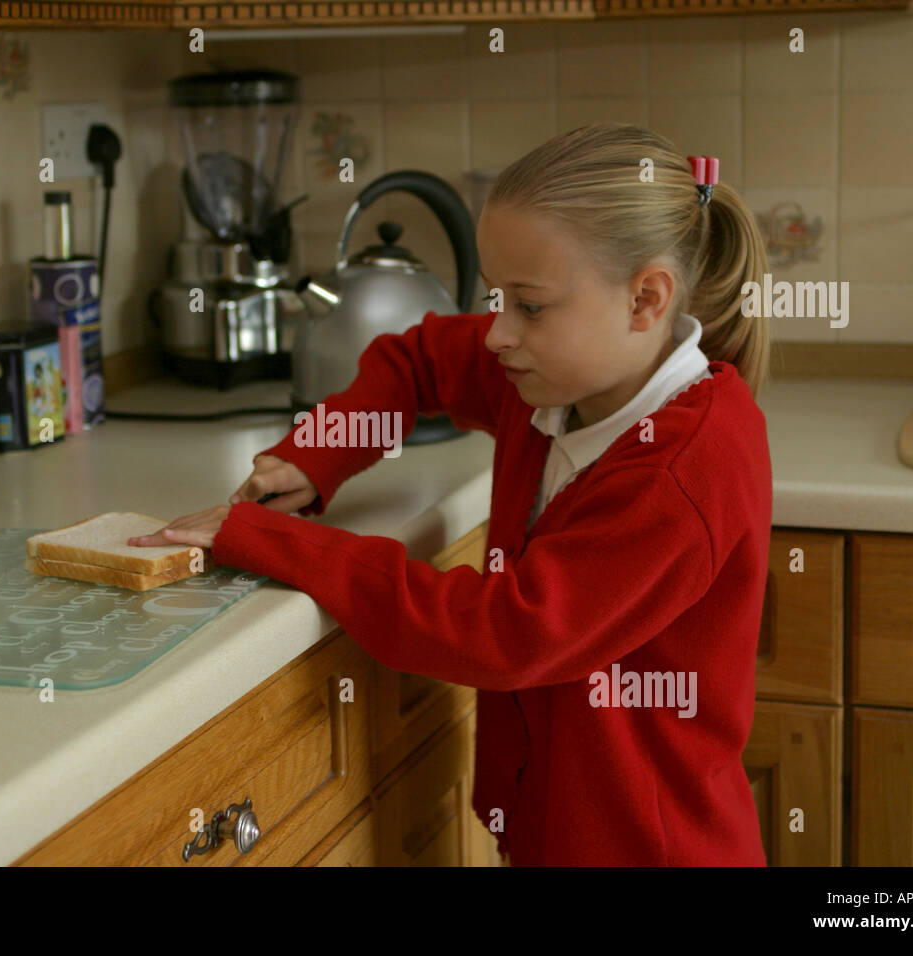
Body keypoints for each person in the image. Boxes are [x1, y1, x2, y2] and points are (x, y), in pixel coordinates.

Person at [130, 122, 772, 866]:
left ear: (645, 300)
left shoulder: (684, 469)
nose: (498, 333)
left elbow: (501, 633)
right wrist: (317, 455)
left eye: (528, 306)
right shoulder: (559, 374)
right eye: (497, 299)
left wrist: (270, 538)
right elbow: (418, 361)